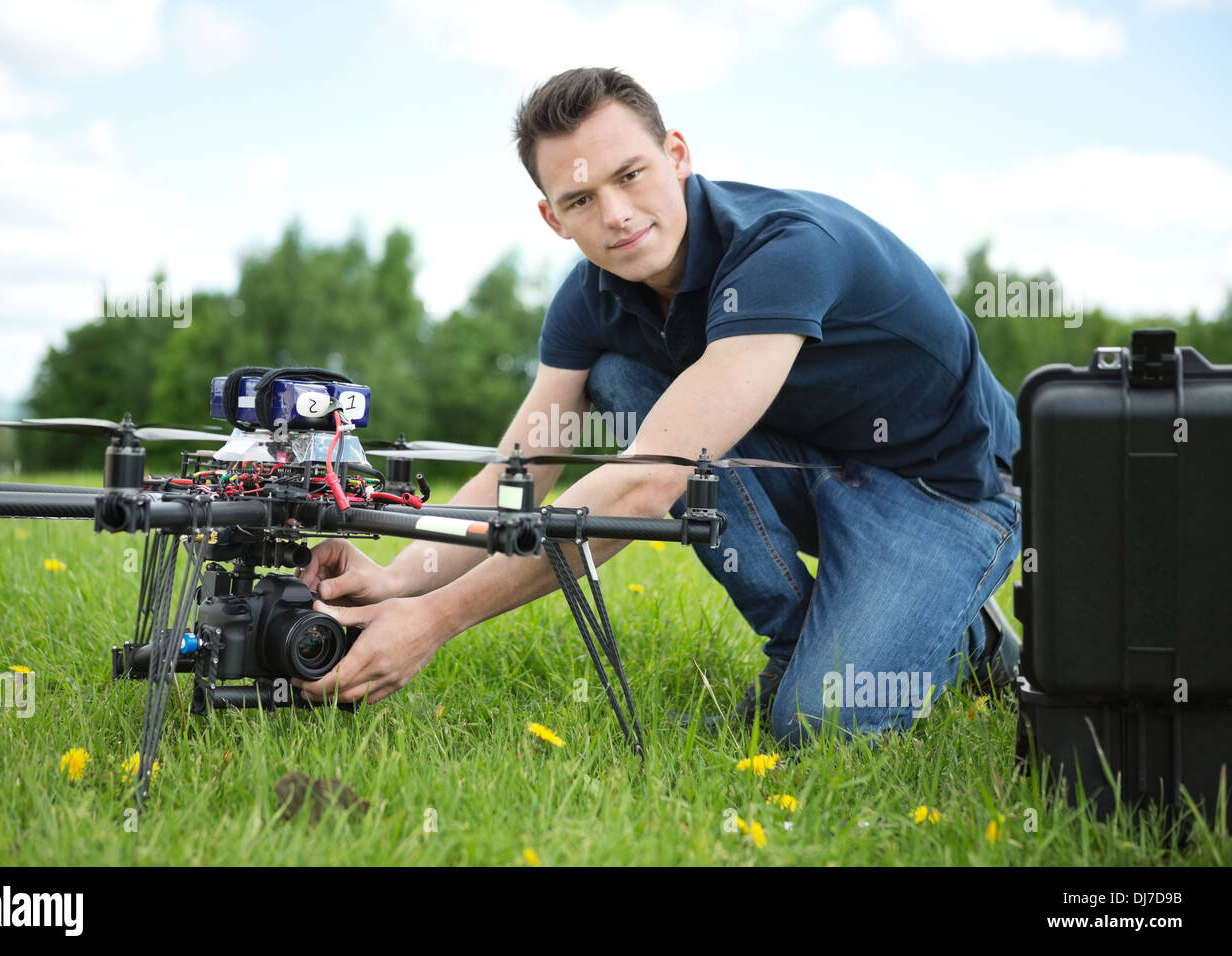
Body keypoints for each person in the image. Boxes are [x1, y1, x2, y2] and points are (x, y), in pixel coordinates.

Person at [294, 66, 1023, 746]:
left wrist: (431, 620)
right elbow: (516, 477)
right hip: (806, 465)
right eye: (581, 199)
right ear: (553, 218)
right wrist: (398, 577)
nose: (616, 215)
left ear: (676, 155)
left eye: (630, 175)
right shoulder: (589, 298)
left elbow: (646, 487)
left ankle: (969, 635)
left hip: (946, 492)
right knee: (621, 378)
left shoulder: (785, 249)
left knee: (817, 724)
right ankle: (798, 638)